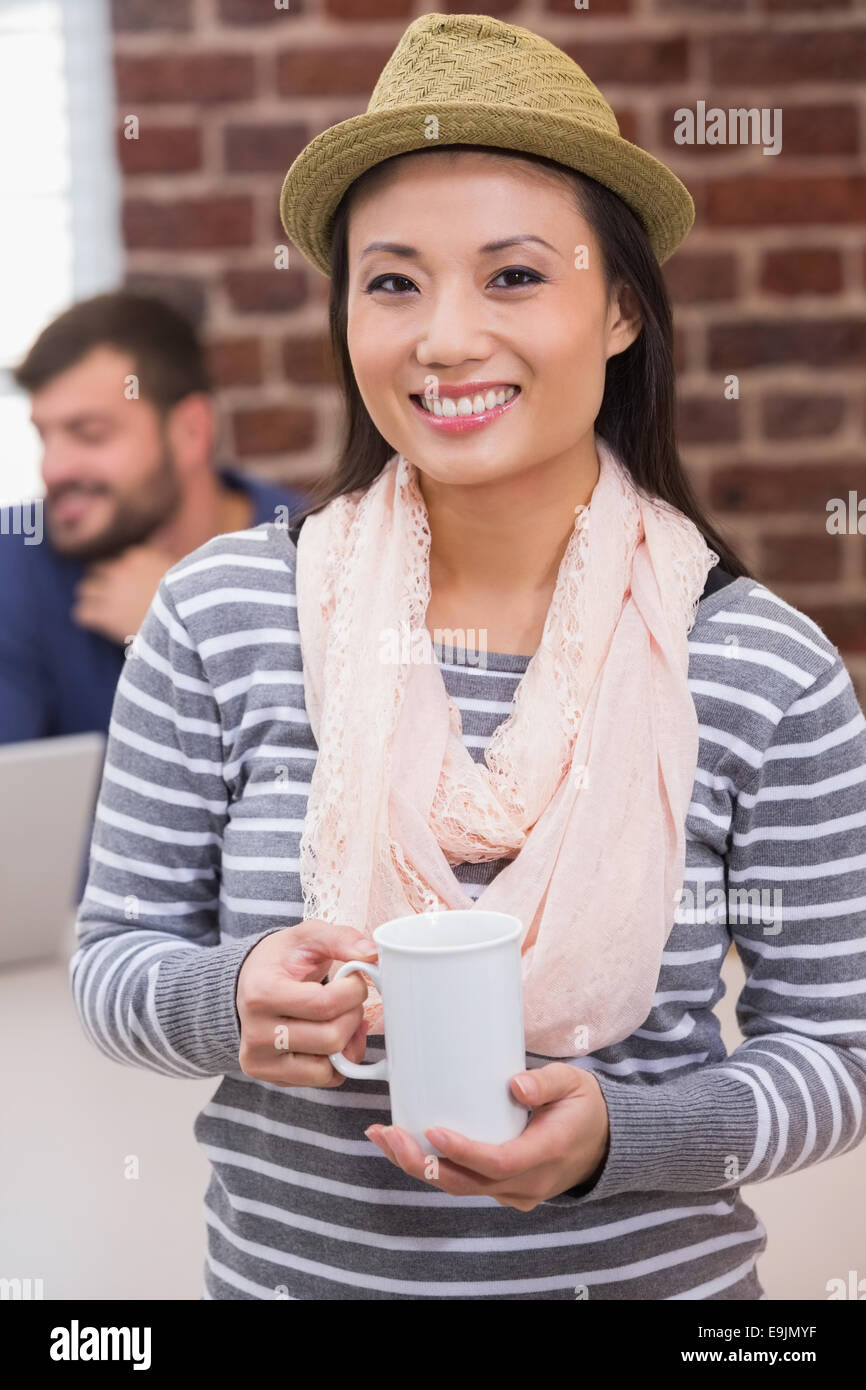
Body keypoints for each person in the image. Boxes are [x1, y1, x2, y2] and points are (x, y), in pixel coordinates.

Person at [70, 14, 866, 1300]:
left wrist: (624, 1136)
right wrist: (229, 1002)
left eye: (511, 276)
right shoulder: (224, 613)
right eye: (392, 281)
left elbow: (839, 1049)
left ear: (617, 309)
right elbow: (111, 959)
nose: (442, 338)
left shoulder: (757, 668)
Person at [0, 290, 308, 744]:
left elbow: (326, 784)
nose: (53, 468)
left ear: (191, 431)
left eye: (89, 435)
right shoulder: (15, 555)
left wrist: (178, 635)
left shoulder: (314, 558)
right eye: (45, 437)